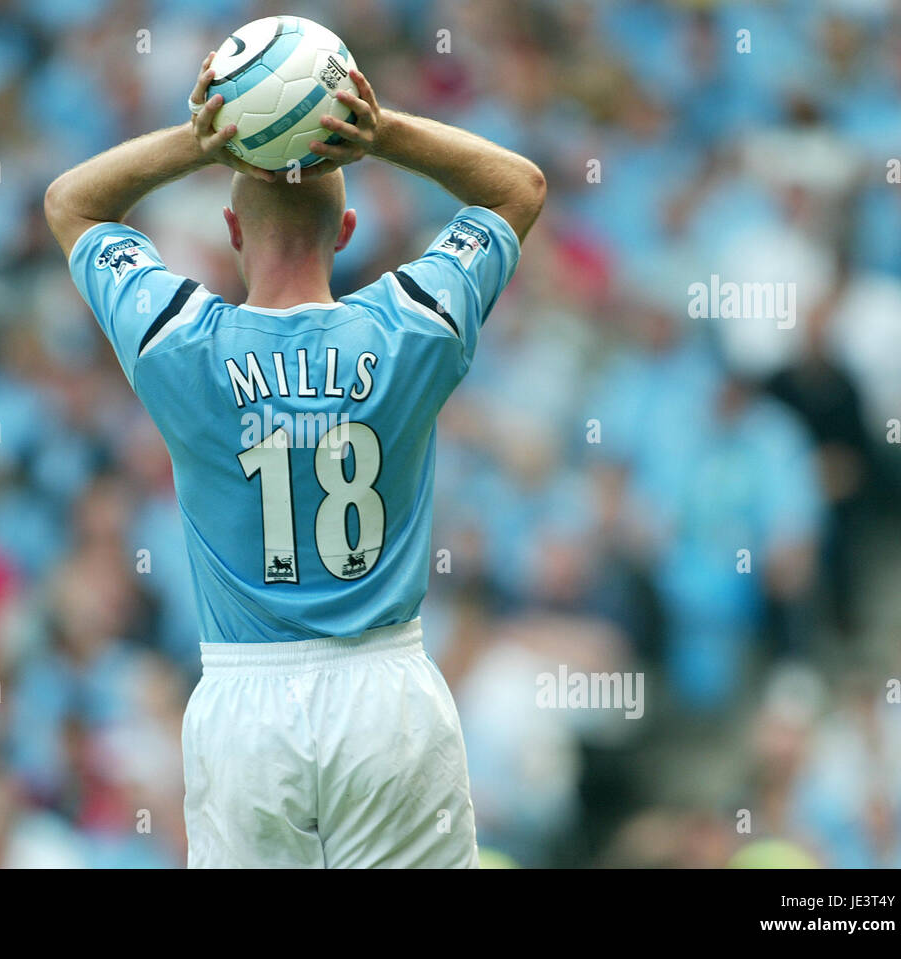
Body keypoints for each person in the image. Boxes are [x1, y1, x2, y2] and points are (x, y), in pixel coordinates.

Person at [43, 53, 545, 868]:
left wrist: (204, 141)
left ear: (232, 232)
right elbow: (518, 186)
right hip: (388, 696)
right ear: (346, 233)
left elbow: (72, 203)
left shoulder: (182, 343)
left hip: (245, 704)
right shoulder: (411, 323)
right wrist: (383, 133)